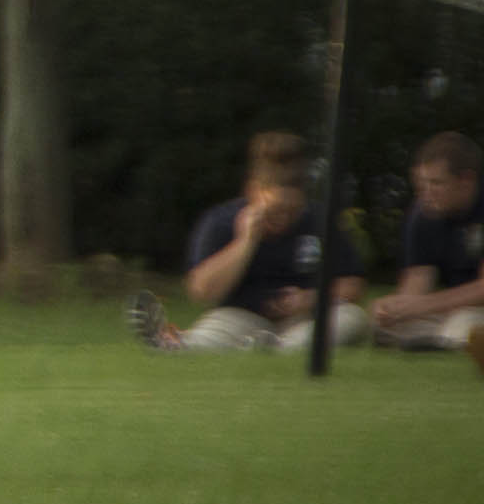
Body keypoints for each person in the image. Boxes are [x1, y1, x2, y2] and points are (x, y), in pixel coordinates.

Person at [147, 132, 370, 352]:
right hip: (240, 316)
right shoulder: (220, 221)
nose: (283, 219)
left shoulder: (319, 221)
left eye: (292, 212)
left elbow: (353, 285)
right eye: (275, 210)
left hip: (303, 319)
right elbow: (202, 291)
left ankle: (276, 348)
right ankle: (179, 344)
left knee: (353, 318)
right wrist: (246, 241)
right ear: (254, 192)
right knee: (210, 335)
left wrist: (308, 299)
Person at [373, 132, 484, 355]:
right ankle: (439, 339)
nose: (427, 194)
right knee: (389, 325)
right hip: (450, 310)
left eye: (436, 183)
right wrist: (396, 308)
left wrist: (424, 306)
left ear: (466, 180)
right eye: (423, 184)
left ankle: (447, 339)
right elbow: (418, 278)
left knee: (464, 324)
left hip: (474, 309)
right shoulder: (422, 214)